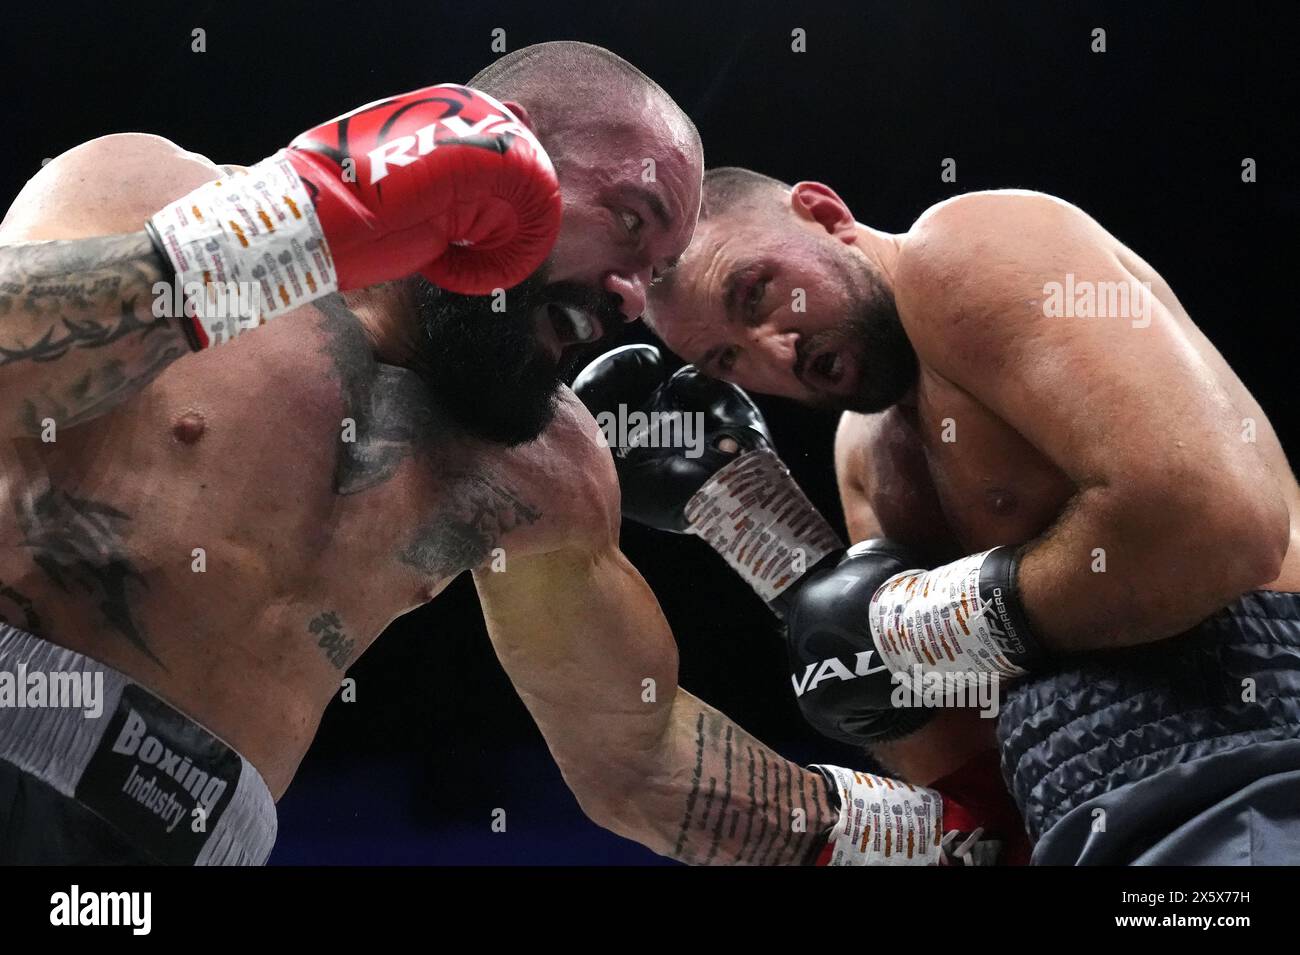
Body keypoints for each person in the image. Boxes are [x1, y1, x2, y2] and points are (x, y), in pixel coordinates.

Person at [0, 43, 997, 867]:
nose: (624, 299)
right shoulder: (156, 187)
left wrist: (939, 844)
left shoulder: (543, 474)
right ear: (500, 153)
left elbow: (640, 758)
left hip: (192, 844)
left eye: (649, 279)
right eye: (631, 224)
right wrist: (297, 226)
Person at [595, 166, 1300, 863]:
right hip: (1082, 820)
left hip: (1255, 759)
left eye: (755, 295)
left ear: (824, 213)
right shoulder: (863, 454)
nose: (775, 352)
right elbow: (959, 771)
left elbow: (1221, 525)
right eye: (728, 360)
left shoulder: (966, 247)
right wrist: (775, 549)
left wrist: (928, 623)